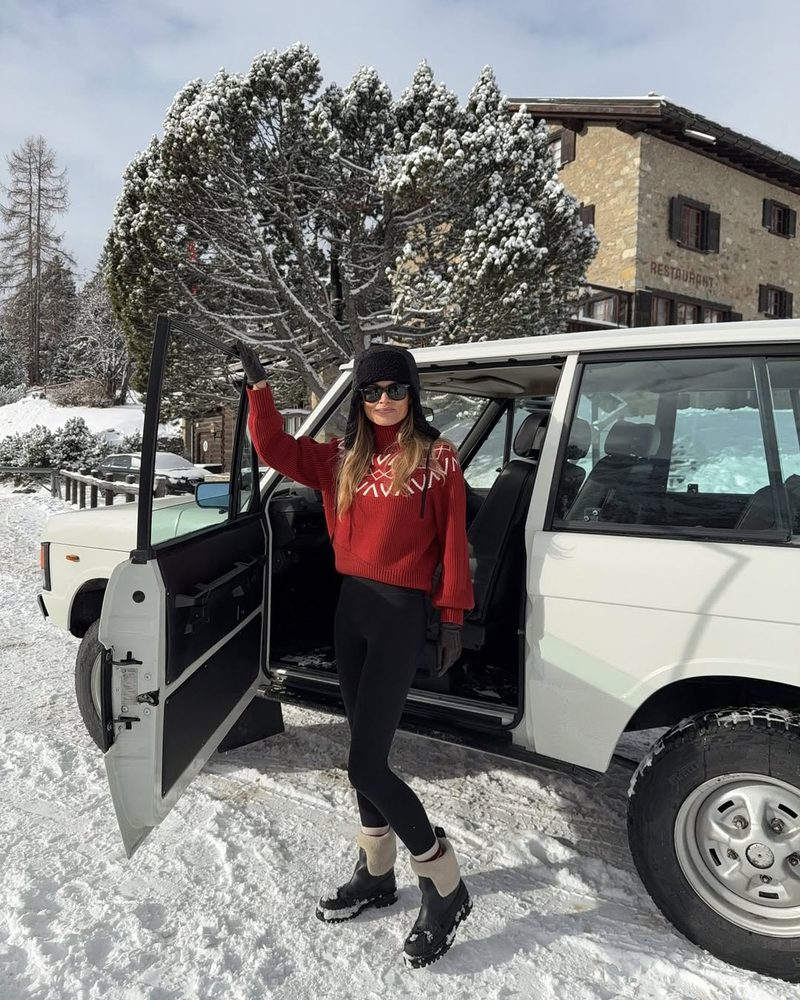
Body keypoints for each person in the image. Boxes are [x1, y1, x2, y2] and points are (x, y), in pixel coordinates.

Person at [235, 339, 474, 969]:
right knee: (364, 752)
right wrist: (260, 391)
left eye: (396, 389)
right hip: (352, 611)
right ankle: (376, 873)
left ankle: (445, 884)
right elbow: (274, 450)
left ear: (412, 394)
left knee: (366, 766)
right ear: (360, 398)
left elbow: (453, 539)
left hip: (400, 616)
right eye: (372, 391)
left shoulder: (438, 459)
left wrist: (452, 614)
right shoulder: (342, 457)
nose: (384, 400)